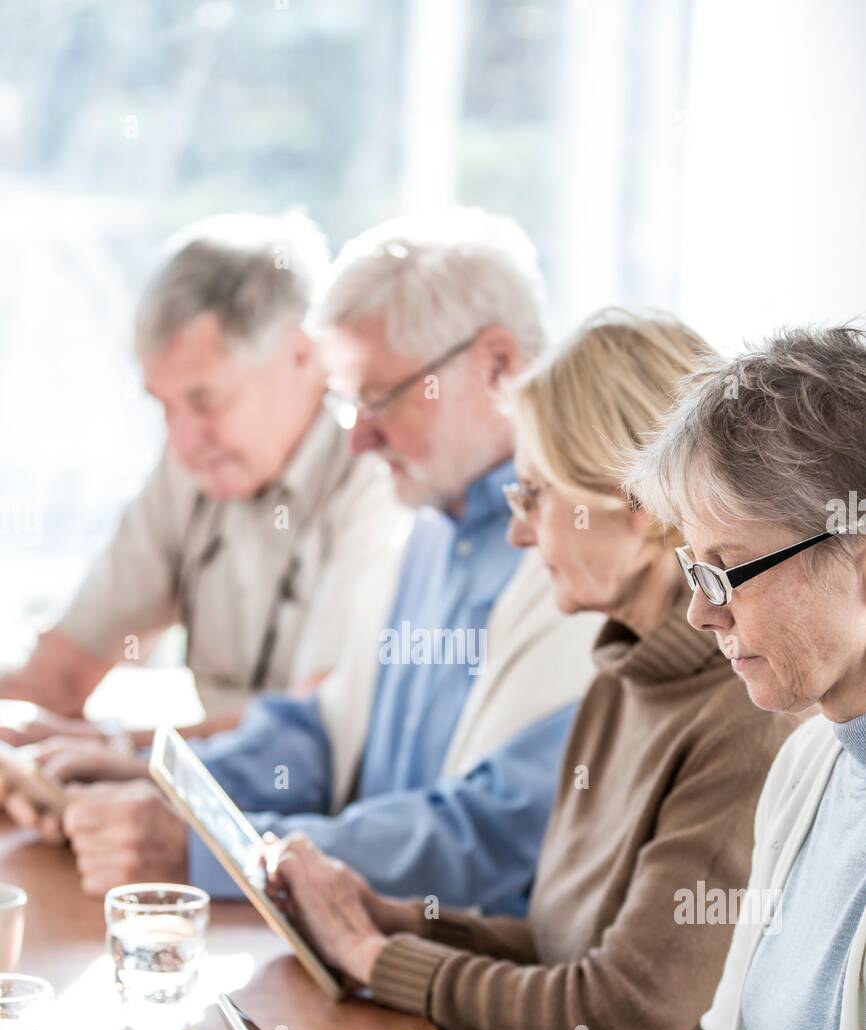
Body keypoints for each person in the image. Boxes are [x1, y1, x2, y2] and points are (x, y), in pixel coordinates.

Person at [292, 326, 866, 1030]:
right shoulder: (813, 758)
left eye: (725, 569)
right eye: (695, 568)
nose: (701, 611)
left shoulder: (774, 737)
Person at [22, 210, 597, 912]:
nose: (358, 441)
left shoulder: (577, 559)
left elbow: (482, 839)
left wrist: (209, 848)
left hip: (466, 993)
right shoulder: (424, 530)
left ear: (498, 366)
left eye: (380, 399)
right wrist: (157, 785)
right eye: (351, 405)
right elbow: (321, 736)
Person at [268, 311, 801, 1030]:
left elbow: (619, 1016)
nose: (519, 534)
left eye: (533, 496)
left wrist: (374, 959)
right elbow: (560, 946)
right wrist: (396, 924)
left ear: (635, 504)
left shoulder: (745, 716)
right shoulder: (625, 669)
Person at [0, 210, 403, 743]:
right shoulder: (193, 467)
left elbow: (315, 727)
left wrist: (114, 748)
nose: (184, 441)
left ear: (303, 355)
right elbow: (63, 674)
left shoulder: (381, 475)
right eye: (164, 407)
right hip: (204, 792)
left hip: (309, 812)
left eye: (204, 400)